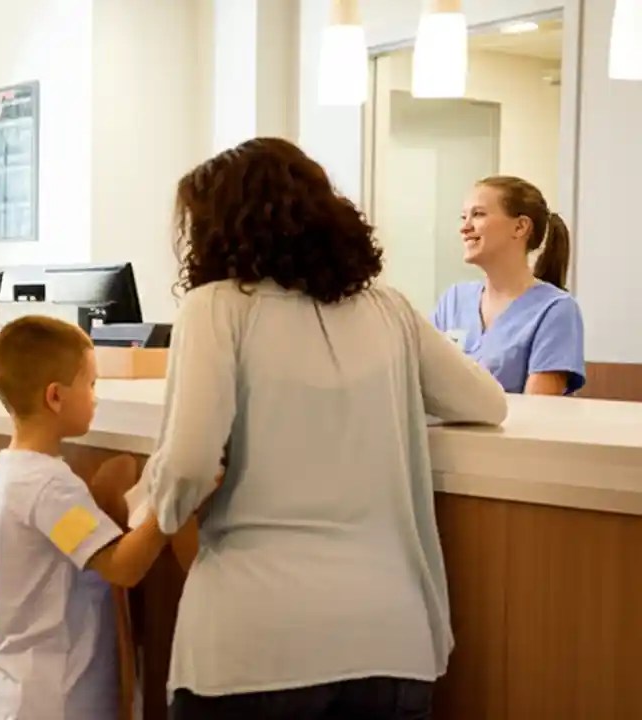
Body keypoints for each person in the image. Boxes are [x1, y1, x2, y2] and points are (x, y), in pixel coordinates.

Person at [139, 137, 508, 720]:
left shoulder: (217, 308)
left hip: (253, 643)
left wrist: (158, 504)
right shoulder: (390, 310)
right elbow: (486, 402)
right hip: (390, 640)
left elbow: (187, 463)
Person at [0, 315, 198, 720]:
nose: (96, 397)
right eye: (91, 384)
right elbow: (122, 566)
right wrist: (172, 497)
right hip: (56, 700)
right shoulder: (47, 488)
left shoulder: (18, 471)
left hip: (29, 691)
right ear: (55, 397)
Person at [432, 176, 586, 395]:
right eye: (463, 217)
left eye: (478, 214)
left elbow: (539, 414)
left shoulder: (556, 310)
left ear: (520, 227)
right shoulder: (453, 301)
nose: (464, 227)